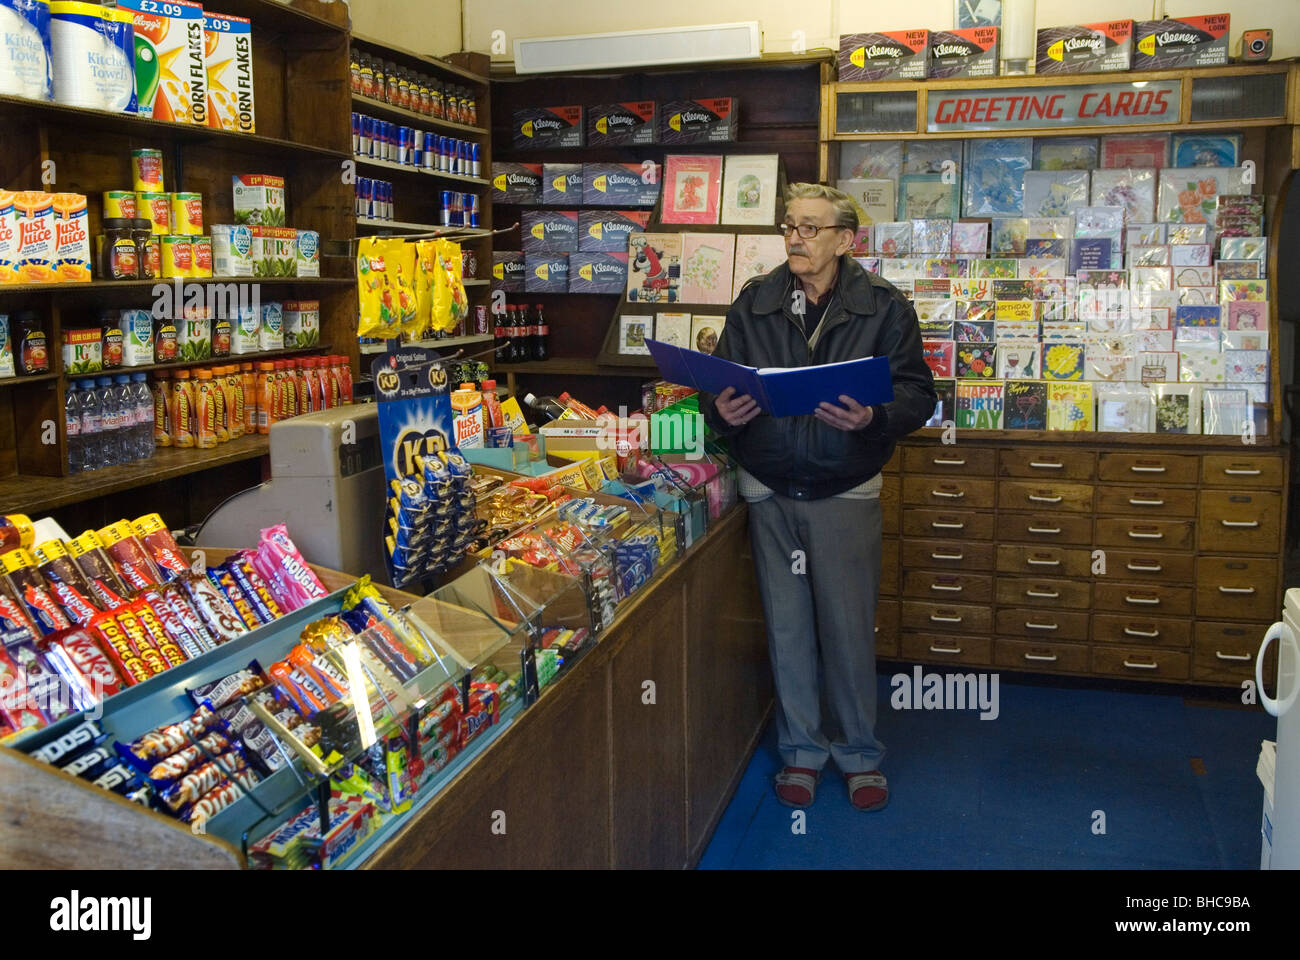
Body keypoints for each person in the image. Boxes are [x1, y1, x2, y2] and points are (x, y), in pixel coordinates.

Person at [701, 183, 936, 811]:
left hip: (845, 488)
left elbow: (918, 393)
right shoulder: (755, 301)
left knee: (848, 628)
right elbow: (716, 390)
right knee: (787, 628)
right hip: (770, 487)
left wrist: (874, 418)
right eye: (789, 227)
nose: (795, 239)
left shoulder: (883, 306)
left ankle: (859, 753)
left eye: (808, 228)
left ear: (844, 239)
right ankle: (801, 753)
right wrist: (720, 409)